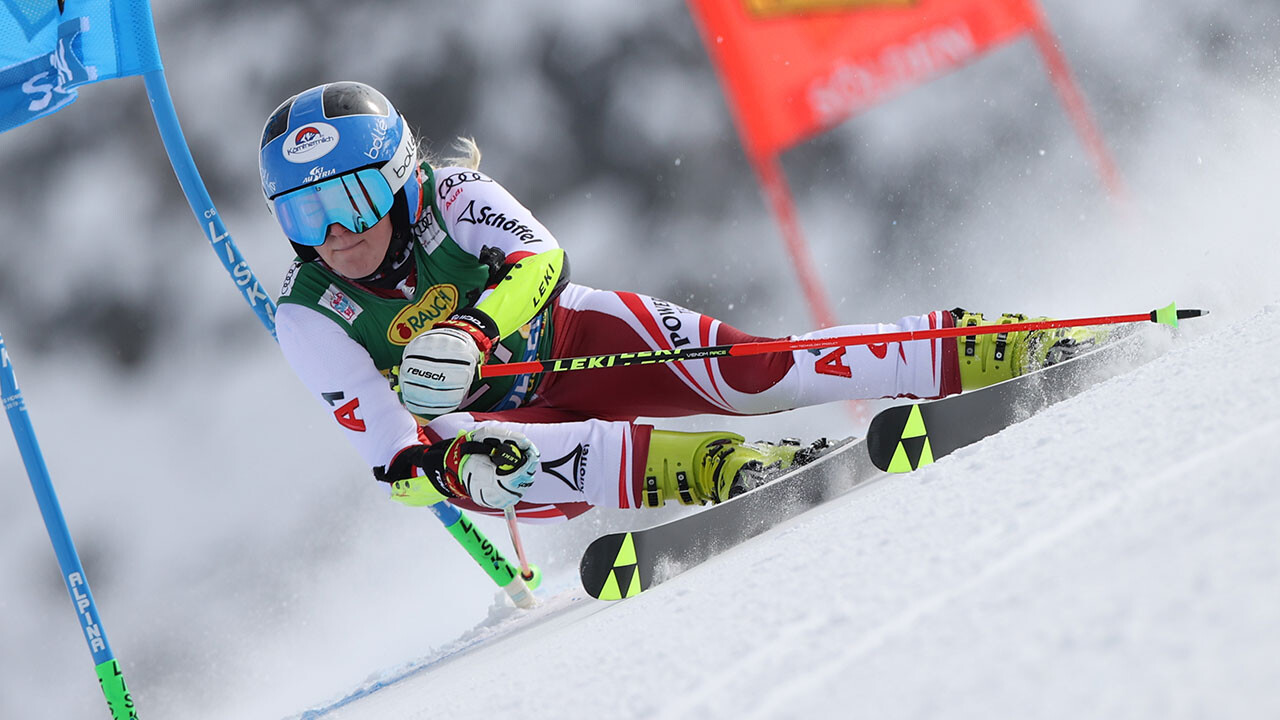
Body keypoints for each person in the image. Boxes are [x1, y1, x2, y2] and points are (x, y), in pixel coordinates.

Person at [260, 81, 1101, 521]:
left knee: (760, 372)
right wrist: (417, 466)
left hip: (573, 339)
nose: (335, 233)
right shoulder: (309, 312)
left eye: (352, 199)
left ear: (403, 179)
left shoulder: (456, 195)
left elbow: (542, 262)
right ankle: (705, 470)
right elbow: (384, 442)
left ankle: (975, 348)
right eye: (305, 213)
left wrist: (477, 329)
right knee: (479, 465)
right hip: (494, 429)